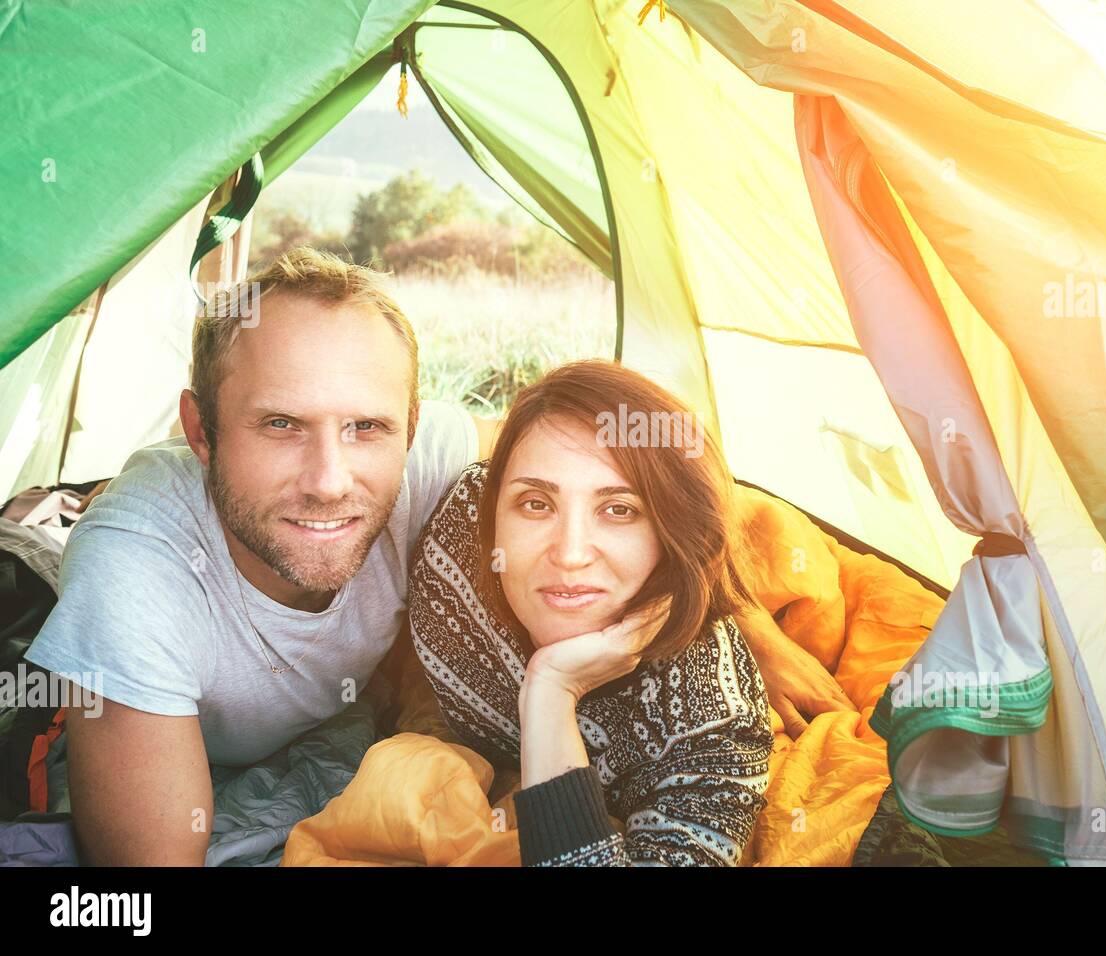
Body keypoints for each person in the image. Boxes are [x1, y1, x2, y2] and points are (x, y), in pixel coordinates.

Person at [26, 247, 848, 866]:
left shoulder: (442, 467)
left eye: (366, 427)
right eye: (280, 424)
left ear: (412, 430)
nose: (329, 480)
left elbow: (604, 468)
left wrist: (733, 616)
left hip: (340, 724)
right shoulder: (136, 567)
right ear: (199, 431)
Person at [408, 361, 776, 865]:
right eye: (536, 504)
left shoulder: (714, 729)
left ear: (673, 535)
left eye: (619, 509)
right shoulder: (461, 525)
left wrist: (551, 692)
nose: (570, 553)